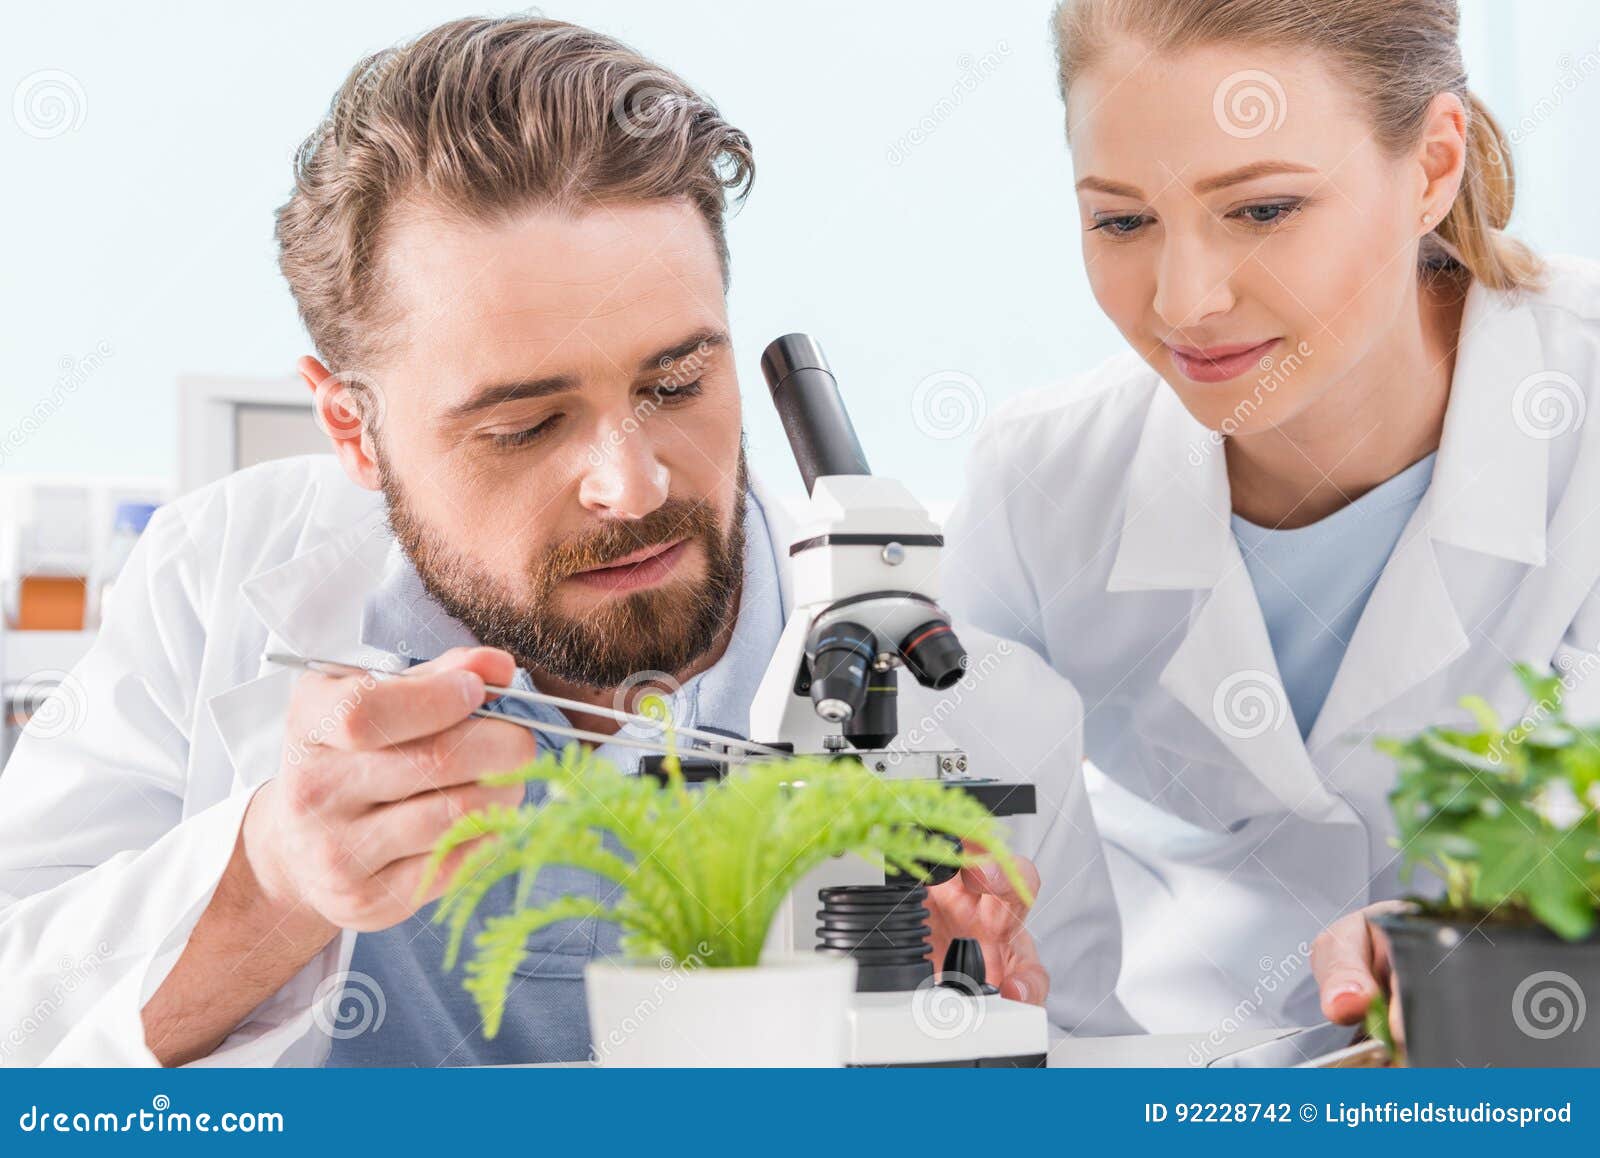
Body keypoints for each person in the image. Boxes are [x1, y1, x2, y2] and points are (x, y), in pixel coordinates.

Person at [0, 16, 1129, 1067]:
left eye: (678, 381)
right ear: (352, 424)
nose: (632, 487)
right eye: (523, 426)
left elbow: (1095, 1092)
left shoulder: (989, 718)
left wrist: (977, 1058)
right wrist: (270, 885)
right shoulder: (220, 582)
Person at [945, 0, 1600, 1035]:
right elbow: (956, 876)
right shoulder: (1042, 487)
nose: (1185, 301)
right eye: (1121, 220)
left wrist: (1493, 944)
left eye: (1261, 211)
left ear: (1432, 166)